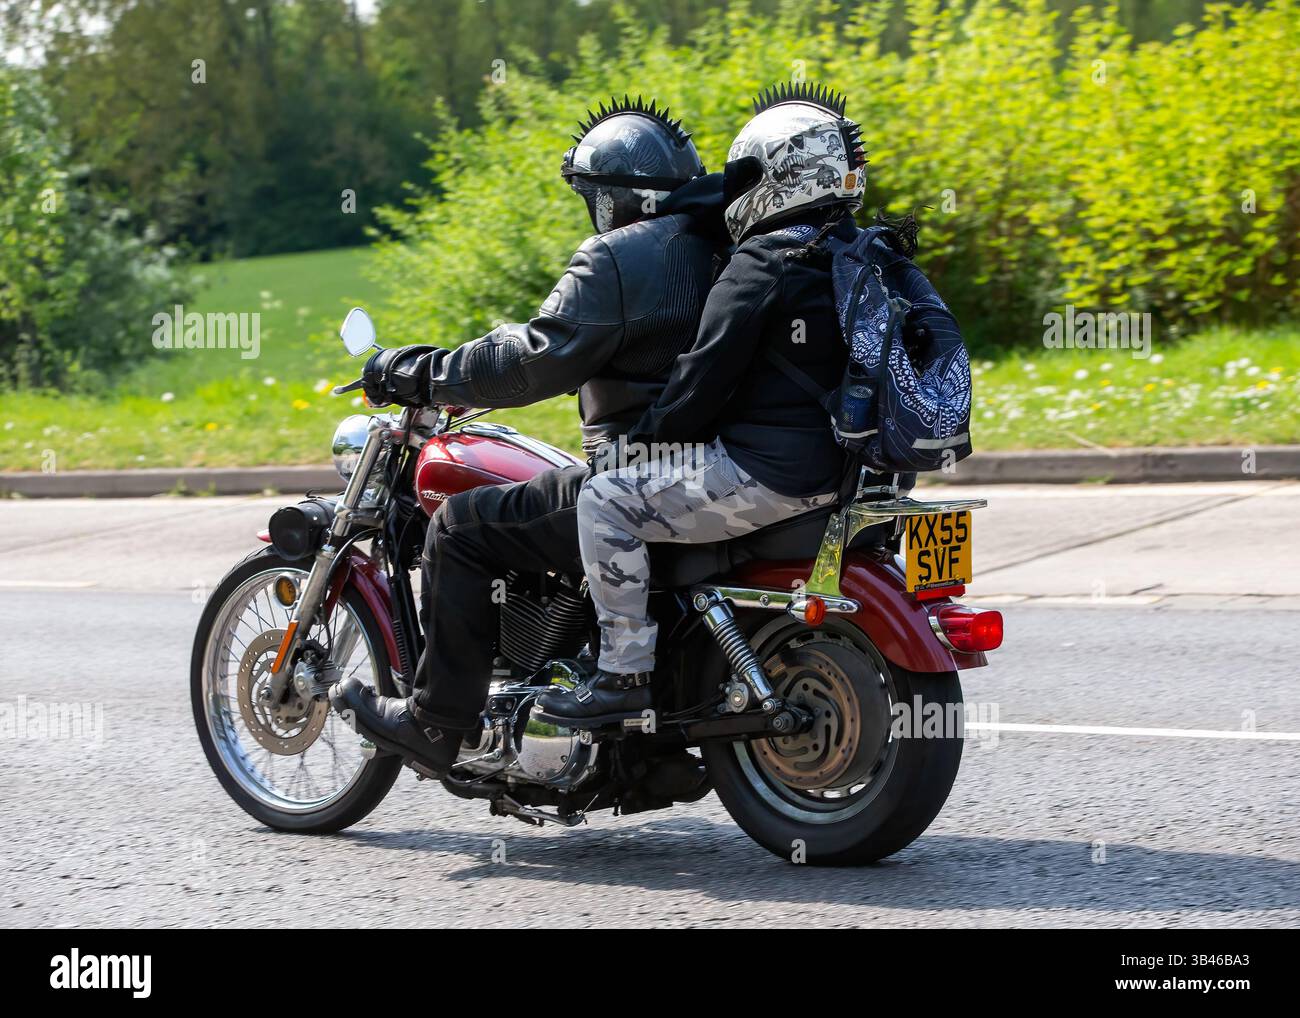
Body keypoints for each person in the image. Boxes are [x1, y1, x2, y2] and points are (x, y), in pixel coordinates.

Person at [329, 96, 731, 775]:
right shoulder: (723, 244)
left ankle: (436, 722)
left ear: (609, 201)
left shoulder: (620, 257)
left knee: (459, 527)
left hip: (635, 472)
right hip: (719, 470)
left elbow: (531, 361)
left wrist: (421, 373)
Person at [536, 82, 867, 726]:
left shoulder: (764, 260)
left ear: (778, 176)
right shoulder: (859, 252)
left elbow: (699, 380)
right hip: (856, 469)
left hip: (777, 472)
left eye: (747, 174)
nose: (736, 187)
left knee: (605, 500)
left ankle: (621, 676)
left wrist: (638, 447)